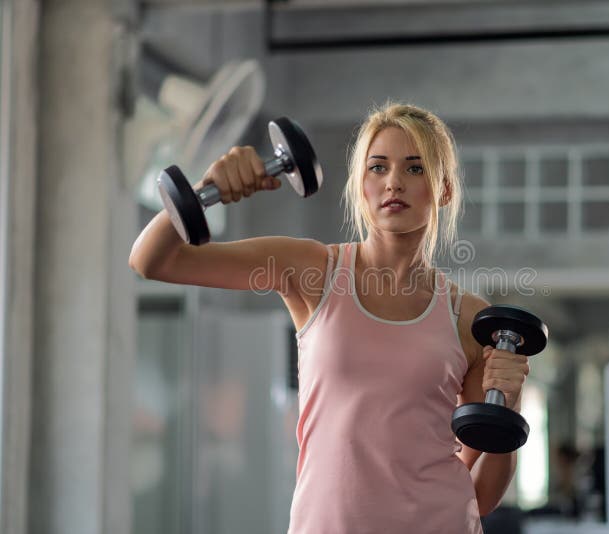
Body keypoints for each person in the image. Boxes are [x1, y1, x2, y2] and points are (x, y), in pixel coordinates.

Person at [129, 103, 531, 533]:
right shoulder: (312, 271)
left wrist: (510, 402)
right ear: (361, 186)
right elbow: (152, 260)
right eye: (378, 167)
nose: (393, 182)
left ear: (444, 189)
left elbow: (480, 495)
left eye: (415, 169)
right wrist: (207, 192)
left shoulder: (469, 317)